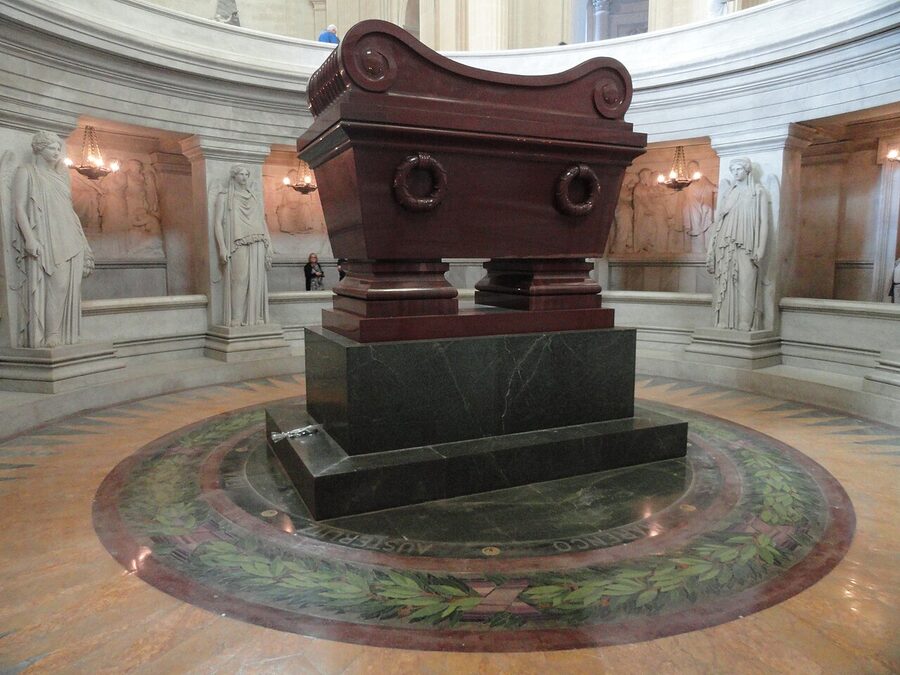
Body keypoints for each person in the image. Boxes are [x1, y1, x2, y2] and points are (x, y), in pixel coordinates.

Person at [12, 131, 94, 348]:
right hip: (48, 235)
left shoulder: (60, 176)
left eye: (59, 148)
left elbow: (70, 210)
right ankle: (51, 334)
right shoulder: (26, 172)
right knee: (57, 284)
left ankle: (63, 333)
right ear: (39, 148)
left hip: (70, 234)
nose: (57, 151)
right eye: (52, 147)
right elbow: (19, 207)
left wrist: (83, 241)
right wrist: (30, 238)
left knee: (70, 287)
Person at [706, 157, 769, 331]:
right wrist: (711, 247)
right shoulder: (728, 193)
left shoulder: (757, 192)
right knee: (724, 281)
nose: (735, 172)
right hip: (725, 242)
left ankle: (744, 321)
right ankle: (724, 320)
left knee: (746, 281)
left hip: (747, 242)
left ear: (747, 171)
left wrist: (761, 249)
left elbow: (764, 222)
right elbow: (718, 221)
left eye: (739, 169)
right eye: (733, 170)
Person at [213, 165, 273, 326]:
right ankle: (237, 316)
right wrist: (222, 247)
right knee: (240, 278)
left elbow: (262, 221)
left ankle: (256, 316)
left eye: (247, 174)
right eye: (241, 174)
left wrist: (269, 245)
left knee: (257, 278)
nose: (244, 177)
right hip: (237, 242)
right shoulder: (224, 196)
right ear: (234, 176)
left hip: (258, 240)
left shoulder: (253, 196)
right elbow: (217, 223)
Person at [682, 160, 717, 255]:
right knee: (690, 227)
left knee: (698, 226)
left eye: (693, 167)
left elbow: (713, 188)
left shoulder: (703, 180)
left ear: (697, 169)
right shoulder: (684, 182)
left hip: (700, 207)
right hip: (688, 209)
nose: (691, 170)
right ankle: (692, 250)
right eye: (689, 168)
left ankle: (700, 250)